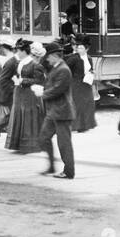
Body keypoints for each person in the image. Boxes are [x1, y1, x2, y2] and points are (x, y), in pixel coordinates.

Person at [37, 42, 76, 179]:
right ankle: (52, 165)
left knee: (64, 144)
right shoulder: (56, 67)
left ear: (54, 56)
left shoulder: (63, 70)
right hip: (54, 111)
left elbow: (58, 89)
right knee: (43, 138)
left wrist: (42, 93)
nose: (47, 59)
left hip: (62, 112)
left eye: (48, 56)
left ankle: (69, 171)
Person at [5, 39, 46, 154]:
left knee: (28, 118)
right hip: (19, 93)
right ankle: (18, 144)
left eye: (19, 51)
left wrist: (23, 80)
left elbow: (39, 80)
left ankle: (30, 145)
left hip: (30, 95)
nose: (17, 53)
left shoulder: (35, 65)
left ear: (24, 51)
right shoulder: (20, 62)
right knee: (19, 116)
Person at [0, 37, 18, 137]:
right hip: (12, 91)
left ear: (3, 48)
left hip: (8, 91)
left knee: (10, 115)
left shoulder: (5, 59)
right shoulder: (12, 59)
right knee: (11, 115)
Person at [66, 39, 97, 134]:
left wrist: (92, 72)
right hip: (76, 83)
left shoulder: (89, 58)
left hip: (86, 83)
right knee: (77, 104)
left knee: (88, 104)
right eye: (78, 47)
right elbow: (67, 69)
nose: (79, 49)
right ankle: (77, 125)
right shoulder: (74, 58)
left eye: (81, 48)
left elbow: (90, 68)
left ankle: (85, 124)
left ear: (86, 49)